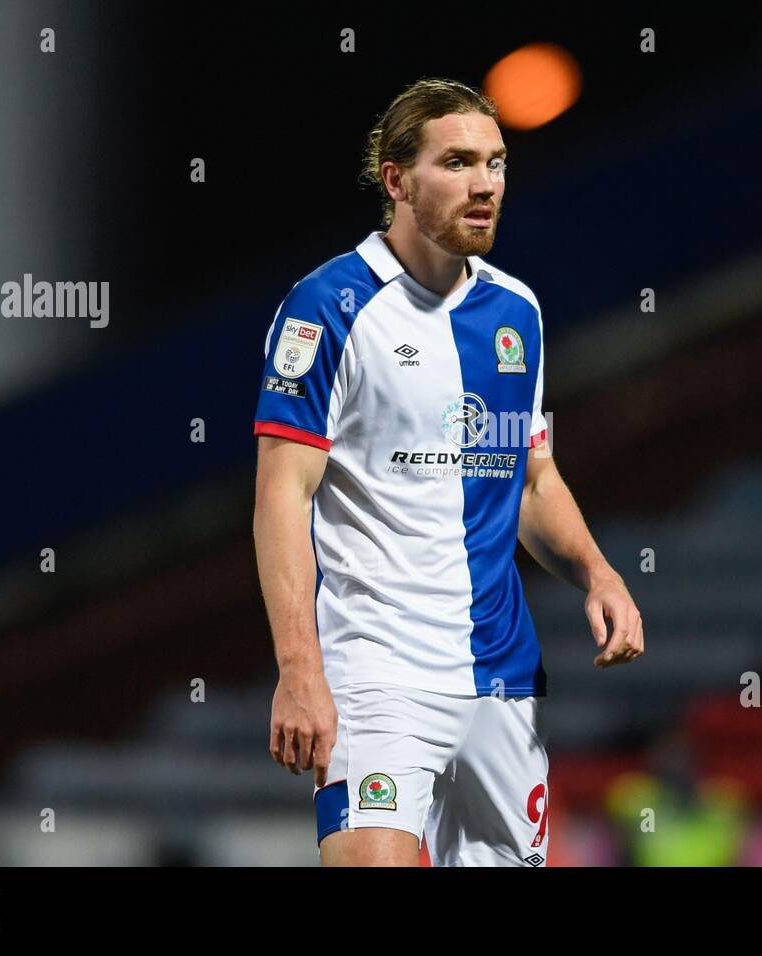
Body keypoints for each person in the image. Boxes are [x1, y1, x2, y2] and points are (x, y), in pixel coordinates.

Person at [253, 77, 643, 866]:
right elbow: (280, 496)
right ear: (397, 180)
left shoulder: (516, 313)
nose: (484, 185)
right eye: (458, 162)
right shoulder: (327, 308)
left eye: (496, 164)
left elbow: (532, 479)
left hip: (502, 677)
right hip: (377, 674)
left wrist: (599, 574)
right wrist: (299, 670)